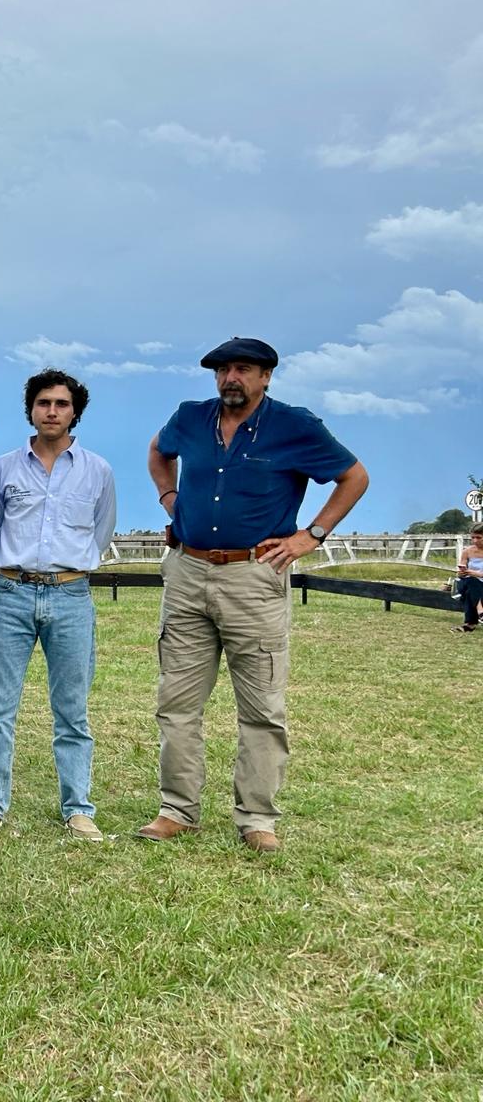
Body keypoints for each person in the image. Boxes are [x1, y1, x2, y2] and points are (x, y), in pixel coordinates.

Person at [140, 337, 369, 853]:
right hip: (187, 572)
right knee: (176, 703)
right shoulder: (190, 417)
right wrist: (170, 499)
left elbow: (353, 477)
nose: (230, 379)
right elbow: (159, 451)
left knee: (262, 707)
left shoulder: (295, 425)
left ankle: (257, 818)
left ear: (266, 377)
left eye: (242, 369)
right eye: (222, 370)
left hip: (254, 575)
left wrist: (311, 535)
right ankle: (177, 810)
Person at [0, 369, 116, 840]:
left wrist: (68, 571)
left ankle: (78, 807)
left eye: (61, 404)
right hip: (11, 593)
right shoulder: (4, 468)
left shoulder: (98, 471)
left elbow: (102, 529)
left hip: (70, 594)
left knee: (72, 708)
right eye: (43, 402)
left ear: (75, 412)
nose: (52, 411)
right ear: (30, 409)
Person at [455, 523, 483, 633]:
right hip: (467, 581)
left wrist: (472, 572)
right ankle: (481, 610)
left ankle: (470, 624)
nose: (475, 541)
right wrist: (462, 573)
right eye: (473, 538)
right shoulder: (467, 551)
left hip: (478, 584)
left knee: (470, 592)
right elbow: (461, 571)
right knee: (471, 581)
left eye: (479, 538)